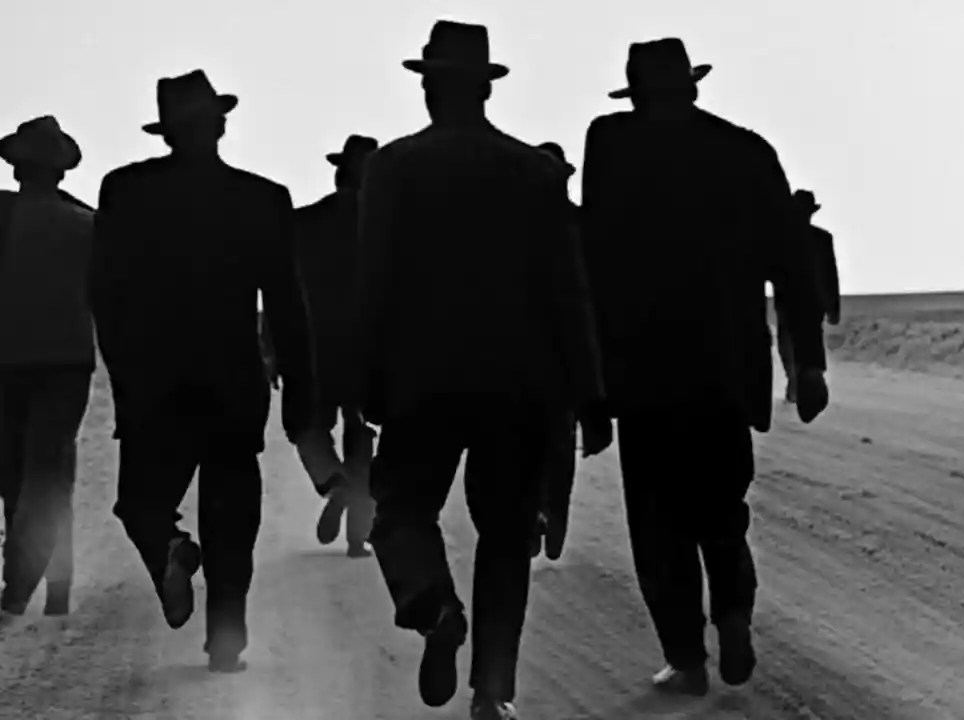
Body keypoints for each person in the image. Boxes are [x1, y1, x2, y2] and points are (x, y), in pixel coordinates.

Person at [353, 21, 611, 720]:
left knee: (401, 510)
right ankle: (491, 694)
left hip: (422, 381)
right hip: (520, 386)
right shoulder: (534, 172)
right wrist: (589, 395)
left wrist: (360, 381)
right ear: (484, 88)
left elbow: (371, 282)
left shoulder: (395, 168)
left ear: (430, 86)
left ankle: (432, 604)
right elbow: (568, 290)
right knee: (505, 539)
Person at [580, 37, 830, 696]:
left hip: (643, 369)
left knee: (658, 522)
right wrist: (808, 362)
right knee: (722, 507)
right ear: (692, 86)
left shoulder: (611, 143)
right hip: (726, 364)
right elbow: (792, 265)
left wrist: (589, 379)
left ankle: (687, 657)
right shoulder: (747, 151)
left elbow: (594, 263)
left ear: (635, 94)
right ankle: (735, 611)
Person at [90, 69, 316, 673]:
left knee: (140, 501)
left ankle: (168, 546)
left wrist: (124, 376)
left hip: (155, 380)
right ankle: (226, 640)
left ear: (166, 132)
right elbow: (289, 307)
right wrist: (302, 398)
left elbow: (105, 295)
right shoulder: (263, 198)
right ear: (220, 124)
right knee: (232, 514)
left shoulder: (124, 191)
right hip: (233, 382)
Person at [0, 116, 95, 625]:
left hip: (7, 360)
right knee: (53, 472)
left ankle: (19, 580)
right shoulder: (87, 222)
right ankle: (56, 582)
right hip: (67, 361)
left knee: (14, 474)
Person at [295, 134, 380, 558]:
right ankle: (357, 537)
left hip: (315, 345)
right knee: (362, 434)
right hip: (370, 345)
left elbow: (282, 288)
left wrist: (273, 345)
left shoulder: (305, 223)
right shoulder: (386, 226)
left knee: (309, 427)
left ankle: (333, 481)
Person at [529, 140, 580, 562]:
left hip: (520, 360)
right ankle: (552, 514)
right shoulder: (583, 226)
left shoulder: (504, 230)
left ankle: (534, 515)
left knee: (524, 445)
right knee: (560, 446)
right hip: (568, 361)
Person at [776, 189, 840, 403]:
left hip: (792, 301)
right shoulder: (821, 239)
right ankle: (805, 384)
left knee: (792, 343)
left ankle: (800, 383)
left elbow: (830, 275)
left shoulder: (783, 239)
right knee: (805, 343)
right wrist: (833, 307)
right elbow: (831, 276)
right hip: (810, 302)